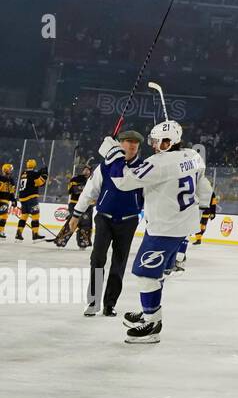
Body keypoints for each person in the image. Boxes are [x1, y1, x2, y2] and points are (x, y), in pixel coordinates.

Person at [105, 122, 212, 343]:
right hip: (181, 224)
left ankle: (152, 323)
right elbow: (205, 188)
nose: (154, 146)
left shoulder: (159, 162)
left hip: (165, 226)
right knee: (157, 273)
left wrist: (113, 155)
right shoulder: (192, 155)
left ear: (170, 142)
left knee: (145, 273)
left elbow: (123, 181)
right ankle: (148, 311)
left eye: (159, 141)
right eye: (154, 141)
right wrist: (200, 212)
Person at [71, 131, 146, 316]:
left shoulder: (144, 168)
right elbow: (90, 191)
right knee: (97, 259)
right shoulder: (104, 166)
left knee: (118, 264)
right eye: (128, 141)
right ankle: (93, 302)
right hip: (104, 217)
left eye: (136, 143)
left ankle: (109, 304)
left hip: (128, 222)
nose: (132, 145)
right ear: (119, 143)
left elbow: (149, 197)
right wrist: (76, 214)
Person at [16, 158, 47, 240]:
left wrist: (40, 171)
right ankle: (35, 234)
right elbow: (41, 183)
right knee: (35, 215)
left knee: (24, 216)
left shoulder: (23, 173)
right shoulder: (34, 174)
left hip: (22, 198)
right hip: (31, 197)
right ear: (34, 165)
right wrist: (44, 175)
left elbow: (32, 176)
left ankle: (18, 233)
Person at [0, 163, 14, 238]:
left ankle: (1, 231)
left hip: (6, 200)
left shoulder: (11, 180)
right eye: (10, 169)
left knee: (4, 216)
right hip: (2, 199)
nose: (11, 171)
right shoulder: (1, 178)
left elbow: (11, 191)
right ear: (6, 170)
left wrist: (13, 200)